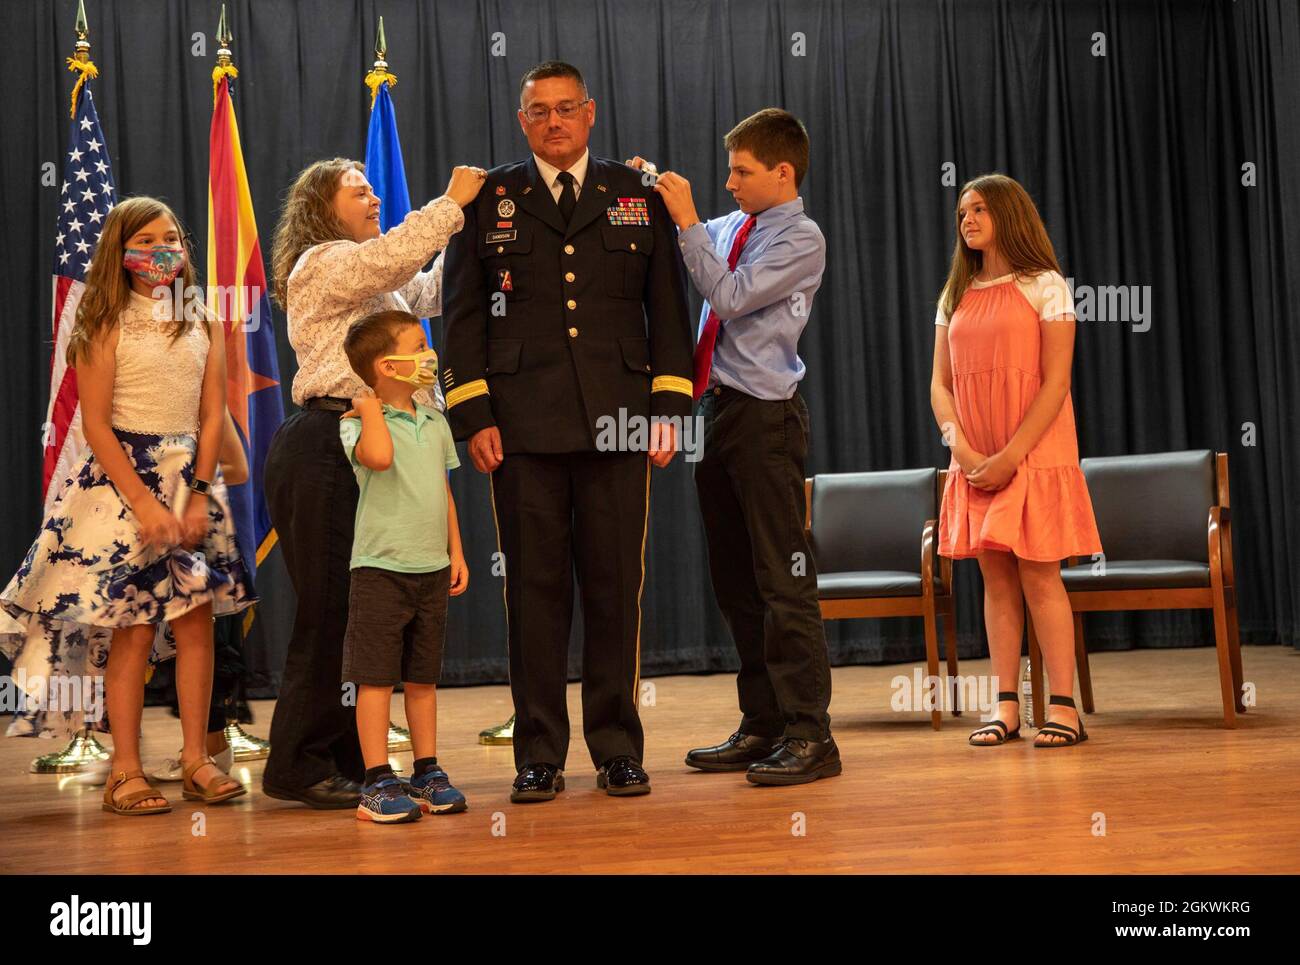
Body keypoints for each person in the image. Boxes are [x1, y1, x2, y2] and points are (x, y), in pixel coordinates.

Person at [441, 61, 694, 803]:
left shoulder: (635, 195)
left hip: (619, 423)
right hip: (520, 427)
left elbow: (668, 312)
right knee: (534, 592)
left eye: (566, 109)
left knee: (617, 588)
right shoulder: (489, 199)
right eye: (539, 112)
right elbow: (460, 318)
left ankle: (618, 748)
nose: (554, 123)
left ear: (591, 113)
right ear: (523, 122)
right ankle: (540, 753)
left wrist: (670, 408)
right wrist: (474, 415)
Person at [0, 196, 255, 814]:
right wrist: (144, 503)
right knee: (134, 630)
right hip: (121, 491)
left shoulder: (202, 318)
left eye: (172, 236)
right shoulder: (103, 323)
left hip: (190, 481)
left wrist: (196, 495)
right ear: (121, 251)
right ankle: (126, 770)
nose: (163, 249)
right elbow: (95, 425)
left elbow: (210, 412)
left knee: (196, 624)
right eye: (147, 238)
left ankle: (196, 759)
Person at [262, 160, 484, 809]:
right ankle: (298, 764)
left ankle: (346, 757)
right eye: (359, 189)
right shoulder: (322, 262)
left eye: (372, 186)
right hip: (328, 444)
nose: (374, 194)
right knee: (332, 607)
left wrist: (484, 224)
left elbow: (432, 287)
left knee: (359, 614)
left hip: (372, 447)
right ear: (322, 209)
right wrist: (450, 202)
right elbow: (392, 261)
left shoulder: (379, 282)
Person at [632, 108, 840, 785]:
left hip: (768, 417)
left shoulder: (802, 237)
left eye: (742, 171)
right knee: (736, 580)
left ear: (783, 172)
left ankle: (812, 733)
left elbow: (729, 292)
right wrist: (649, 190)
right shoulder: (730, 226)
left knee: (784, 579)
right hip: (717, 414)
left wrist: (688, 217)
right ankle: (764, 723)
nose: (729, 183)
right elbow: (687, 239)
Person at [929, 173, 1102, 748]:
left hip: (1033, 449)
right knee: (994, 575)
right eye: (962, 213)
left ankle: (1063, 706)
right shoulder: (956, 292)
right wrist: (962, 448)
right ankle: (1006, 707)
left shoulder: (1045, 284)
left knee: (1039, 572)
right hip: (975, 455)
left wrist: (1010, 456)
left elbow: (1055, 384)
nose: (967, 220)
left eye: (979, 209)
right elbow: (939, 386)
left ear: (1009, 213)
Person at [337, 309, 469, 824]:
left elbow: (443, 490)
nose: (428, 357)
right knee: (374, 678)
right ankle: (376, 780)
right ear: (387, 366)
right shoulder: (357, 425)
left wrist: (455, 552)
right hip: (380, 568)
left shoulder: (435, 421)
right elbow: (380, 459)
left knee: (422, 679)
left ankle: (427, 770)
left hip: (432, 567)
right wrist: (368, 409)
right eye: (417, 348)